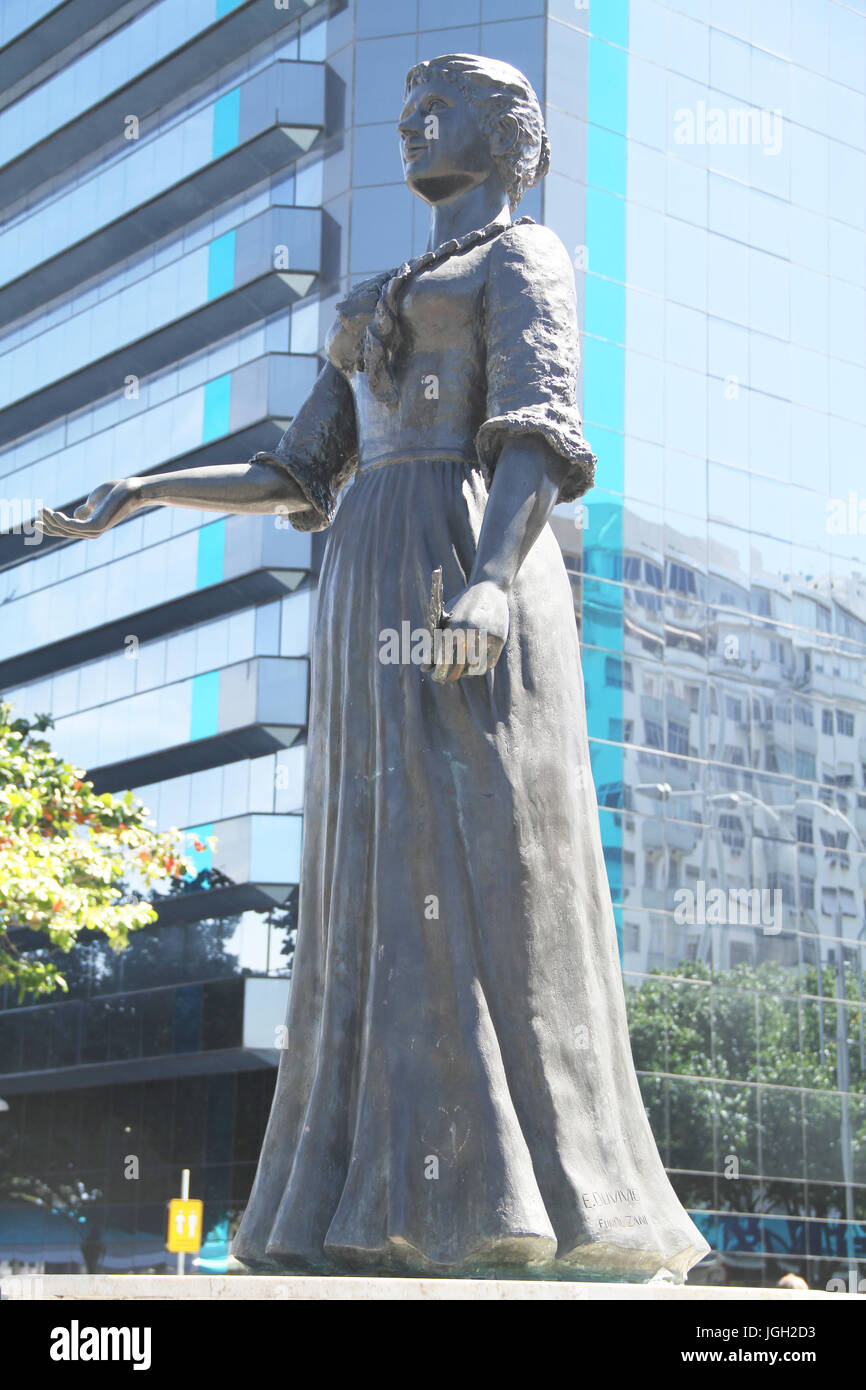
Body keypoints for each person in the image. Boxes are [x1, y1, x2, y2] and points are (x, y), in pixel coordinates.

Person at [41, 55, 710, 1282]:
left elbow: (538, 435)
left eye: (440, 106)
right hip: (362, 578)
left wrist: (493, 581)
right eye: (404, 108)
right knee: (376, 869)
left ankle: (535, 1197)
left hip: (468, 556)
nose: (410, 123)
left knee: (488, 857)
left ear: (511, 136)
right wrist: (140, 491)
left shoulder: (525, 259)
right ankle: (377, 1203)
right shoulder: (367, 293)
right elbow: (297, 474)